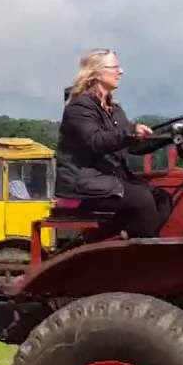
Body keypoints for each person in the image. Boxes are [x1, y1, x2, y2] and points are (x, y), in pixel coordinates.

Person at [55, 48, 163, 238]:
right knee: (143, 199)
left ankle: (125, 238)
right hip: (84, 184)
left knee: (162, 198)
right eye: (115, 67)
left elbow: (133, 145)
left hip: (108, 181)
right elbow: (95, 141)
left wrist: (168, 136)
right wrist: (130, 132)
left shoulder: (114, 109)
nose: (121, 72)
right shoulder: (79, 107)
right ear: (96, 73)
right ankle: (141, 255)